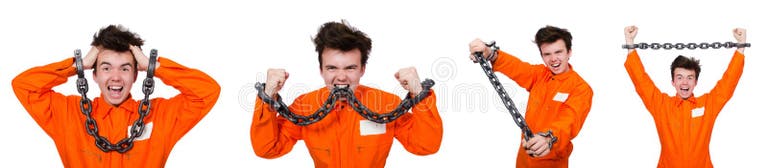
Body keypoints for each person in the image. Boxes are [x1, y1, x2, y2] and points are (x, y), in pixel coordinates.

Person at [12, 25, 221, 167]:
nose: (116, 77)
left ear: (136, 75)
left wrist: (153, 66)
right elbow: (24, 85)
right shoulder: (68, 114)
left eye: (125, 68)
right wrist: (78, 65)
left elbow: (207, 91)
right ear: (94, 74)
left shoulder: (160, 116)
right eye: (106, 68)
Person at [250, 20, 443, 168]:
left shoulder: (386, 104)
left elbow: (426, 146)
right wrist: (268, 96)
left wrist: (418, 93)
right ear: (321, 70)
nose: (341, 77)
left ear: (362, 69)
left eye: (350, 68)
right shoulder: (305, 106)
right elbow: (268, 149)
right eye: (332, 68)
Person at [468, 25, 594, 167]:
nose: (553, 59)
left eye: (558, 52)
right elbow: (517, 67)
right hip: (524, 160)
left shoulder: (581, 88)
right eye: (547, 54)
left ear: (569, 52)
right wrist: (490, 53)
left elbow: (570, 120)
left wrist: (549, 138)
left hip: (551, 162)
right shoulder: (540, 75)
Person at [623, 26, 746, 167]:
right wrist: (630, 43)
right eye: (680, 77)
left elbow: (728, 83)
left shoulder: (707, 105)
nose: (685, 82)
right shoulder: (662, 105)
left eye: (690, 77)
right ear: (673, 82)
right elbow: (642, 82)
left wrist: (741, 47)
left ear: (696, 82)